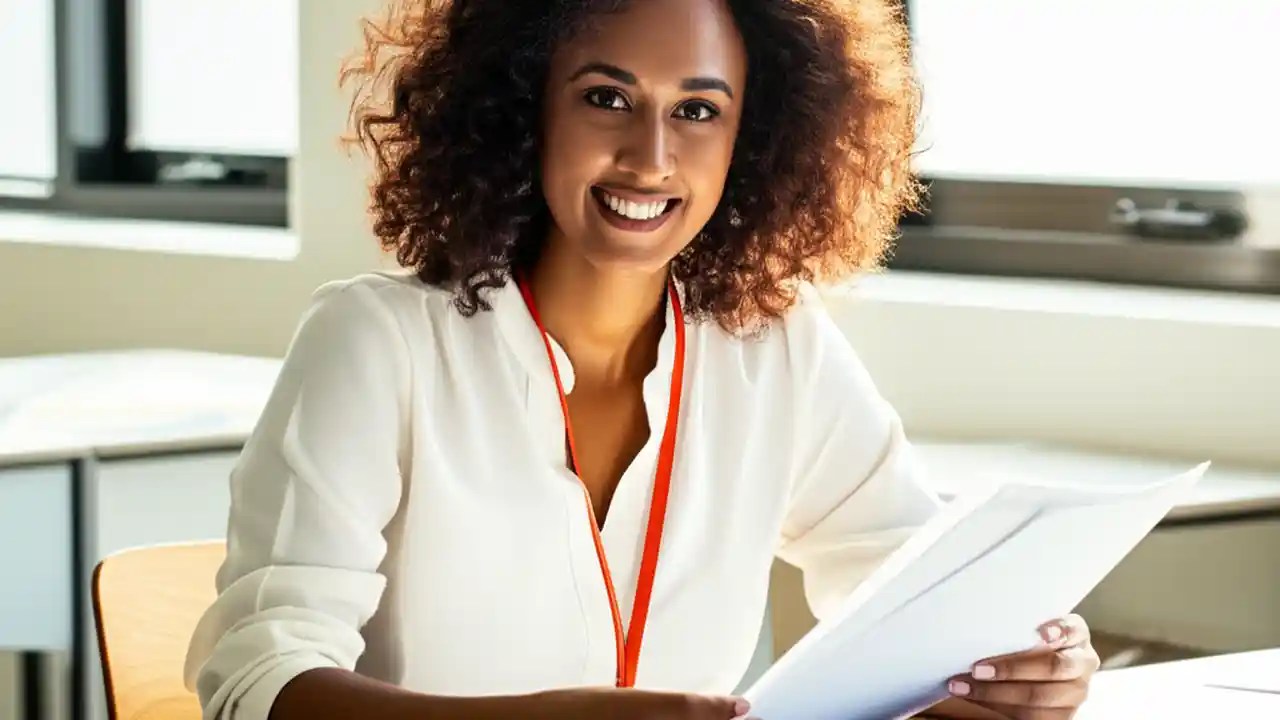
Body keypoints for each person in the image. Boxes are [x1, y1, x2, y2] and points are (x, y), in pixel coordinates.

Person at [184, 0, 1101, 718]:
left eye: (698, 110)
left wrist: (1016, 667)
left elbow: (912, 586)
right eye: (607, 98)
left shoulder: (775, 347)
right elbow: (260, 685)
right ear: (523, 105)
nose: (651, 156)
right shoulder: (379, 343)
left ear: (753, 140)